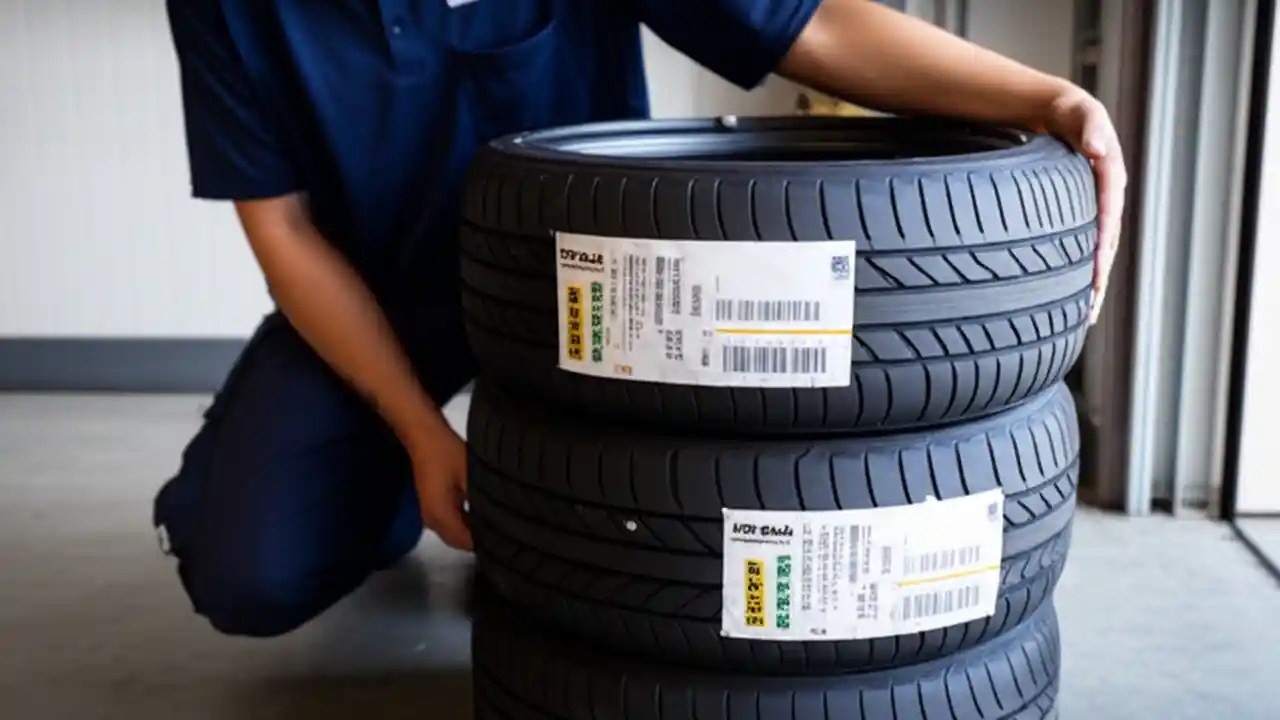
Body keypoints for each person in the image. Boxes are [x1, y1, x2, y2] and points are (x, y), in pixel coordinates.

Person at [154, 0, 1125, 637]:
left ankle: (483, 471)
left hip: (591, 308)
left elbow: (810, 27)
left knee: (646, 548)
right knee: (250, 575)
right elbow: (281, 230)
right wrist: (413, 431)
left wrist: (1044, 97)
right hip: (379, 297)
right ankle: (395, 489)